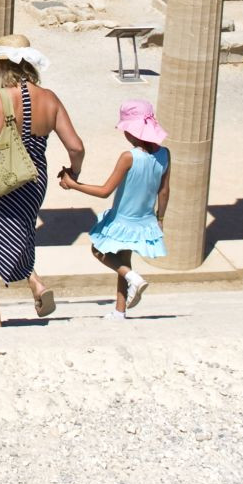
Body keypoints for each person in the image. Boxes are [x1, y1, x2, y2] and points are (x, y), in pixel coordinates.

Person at [0, 33, 85, 328]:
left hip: (1, 180)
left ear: (3, 66)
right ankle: (36, 283)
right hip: (34, 180)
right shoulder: (50, 99)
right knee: (20, 231)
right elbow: (76, 147)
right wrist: (73, 172)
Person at [59, 99, 169, 319]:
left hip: (123, 219)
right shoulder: (165, 154)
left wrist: (73, 184)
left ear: (132, 131)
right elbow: (164, 190)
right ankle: (120, 310)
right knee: (123, 261)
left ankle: (133, 278)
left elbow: (105, 191)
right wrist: (160, 218)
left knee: (98, 250)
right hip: (144, 219)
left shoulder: (129, 157)